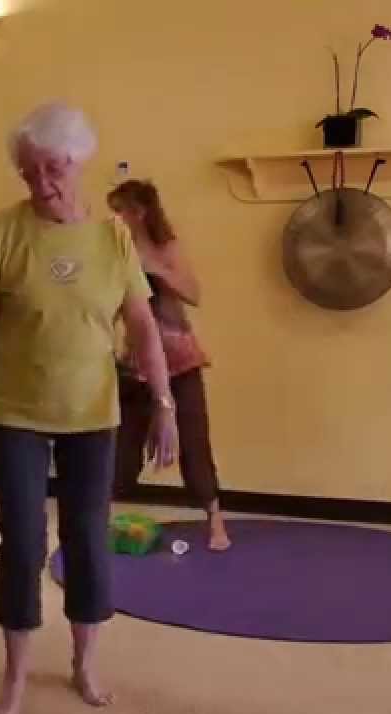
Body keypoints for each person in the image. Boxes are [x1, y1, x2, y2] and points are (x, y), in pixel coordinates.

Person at [0, 102, 178, 714]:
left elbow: (142, 325)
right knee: (22, 543)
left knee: (87, 539)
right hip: (14, 410)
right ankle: (15, 679)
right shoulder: (2, 230)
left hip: (91, 411)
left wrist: (164, 404)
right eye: (28, 172)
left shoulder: (113, 236)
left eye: (52, 168)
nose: (40, 183)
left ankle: (85, 662)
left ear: (79, 162)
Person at [107, 180, 232, 551]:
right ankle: (98, 517)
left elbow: (193, 293)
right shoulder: (116, 250)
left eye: (120, 211)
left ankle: (215, 520)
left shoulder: (166, 247)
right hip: (136, 362)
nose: (115, 218)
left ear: (139, 212)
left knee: (193, 439)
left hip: (179, 357)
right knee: (123, 444)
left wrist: (155, 270)